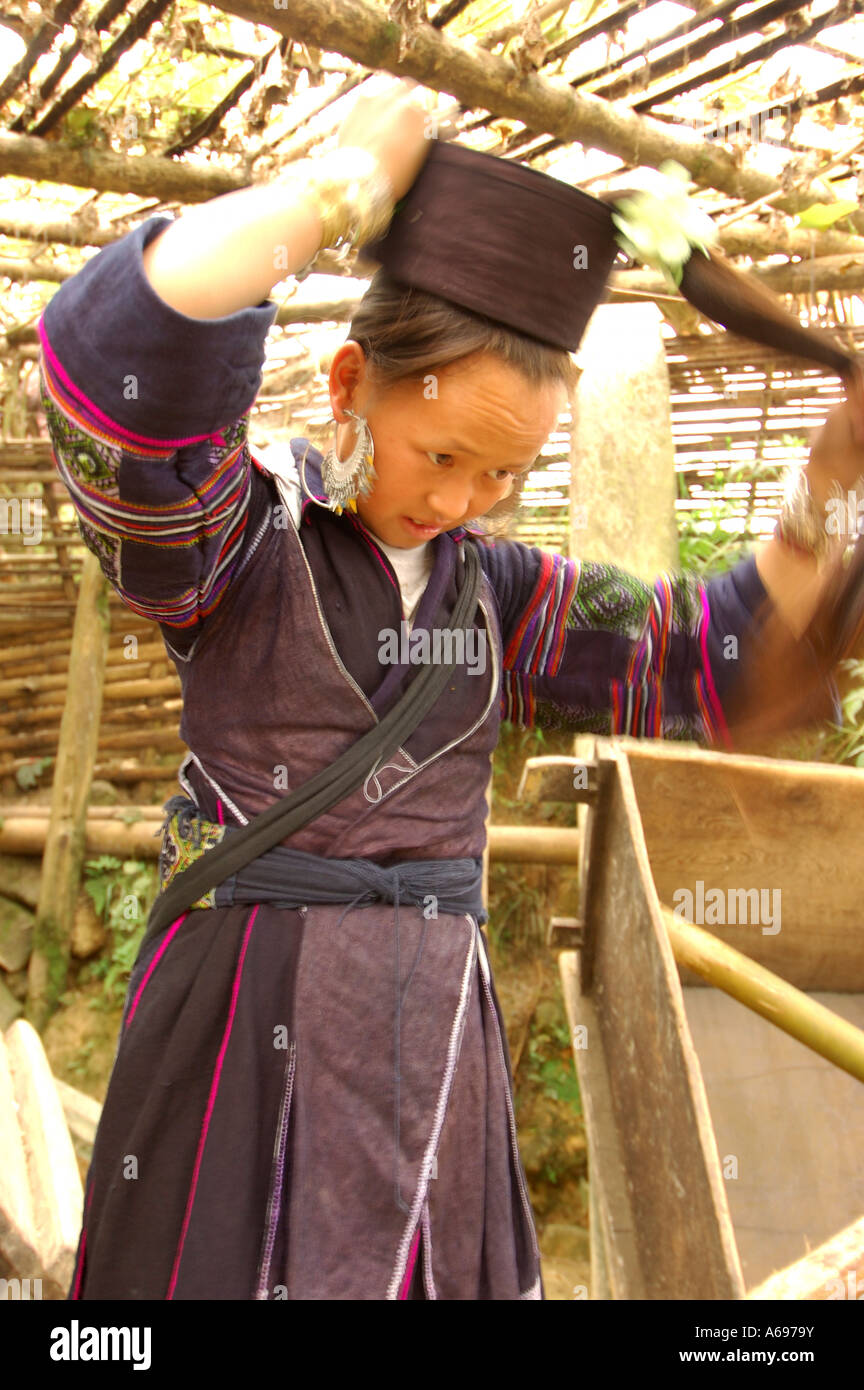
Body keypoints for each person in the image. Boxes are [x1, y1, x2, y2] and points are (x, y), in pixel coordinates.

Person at [37, 77, 864, 1300]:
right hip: (240, 1034)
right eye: (443, 455)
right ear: (348, 378)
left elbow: (701, 661)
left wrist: (833, 484)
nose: (462, 500)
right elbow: (116, 371)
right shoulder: (236, 544)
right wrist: (336, 191)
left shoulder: (506, 599)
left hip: (433, 1041)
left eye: (504, 473)